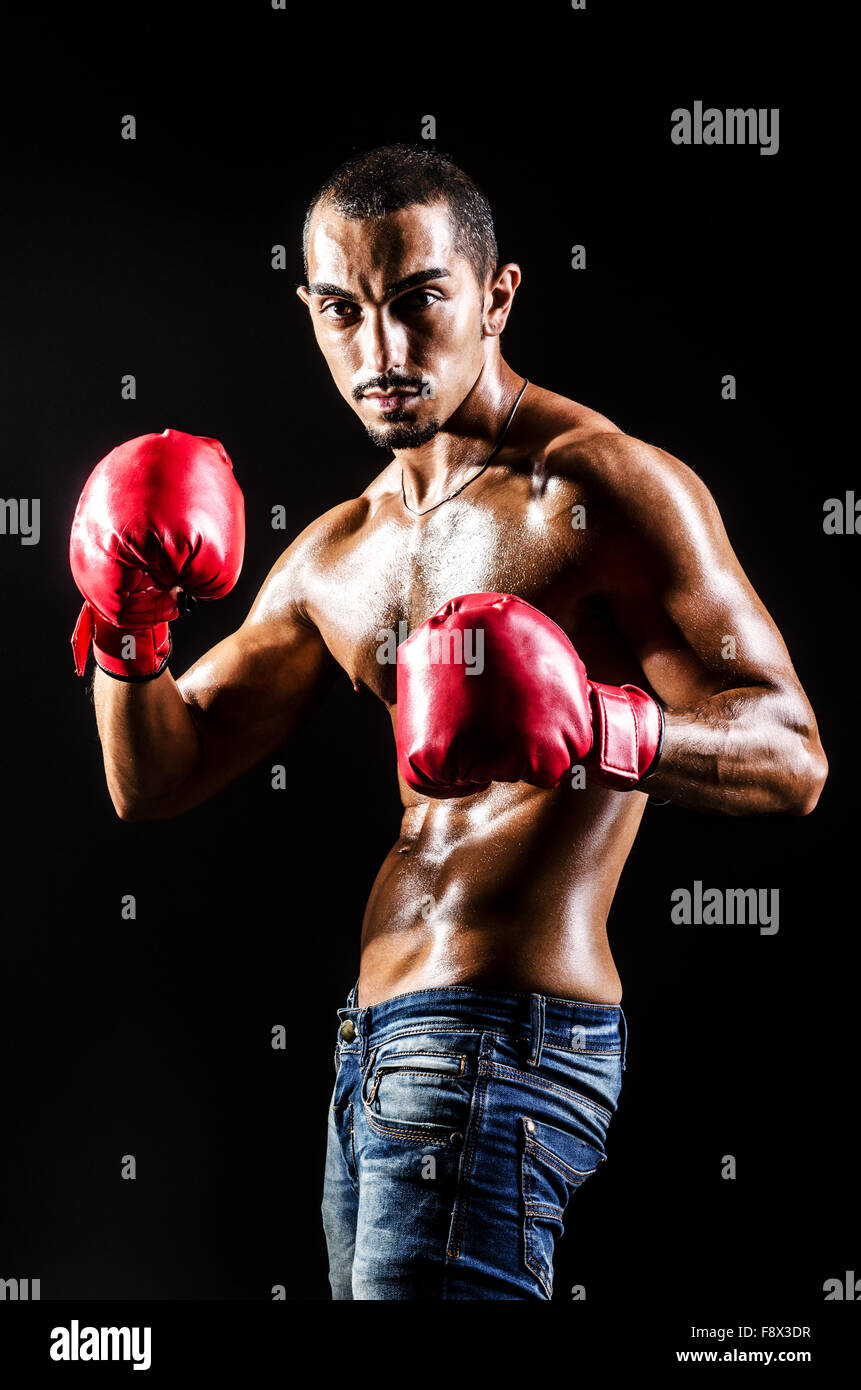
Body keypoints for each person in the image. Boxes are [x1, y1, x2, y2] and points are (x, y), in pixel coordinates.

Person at [69, 144, 827, 1300]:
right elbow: (158, 774)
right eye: (343, 311)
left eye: (418, 300)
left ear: (496, 295)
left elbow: (792, 753)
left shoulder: (601, 487)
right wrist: (128, 622)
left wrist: (595, 724)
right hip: (369, 1046)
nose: (380, 353)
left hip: (504, 1040)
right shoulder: (340, 550)